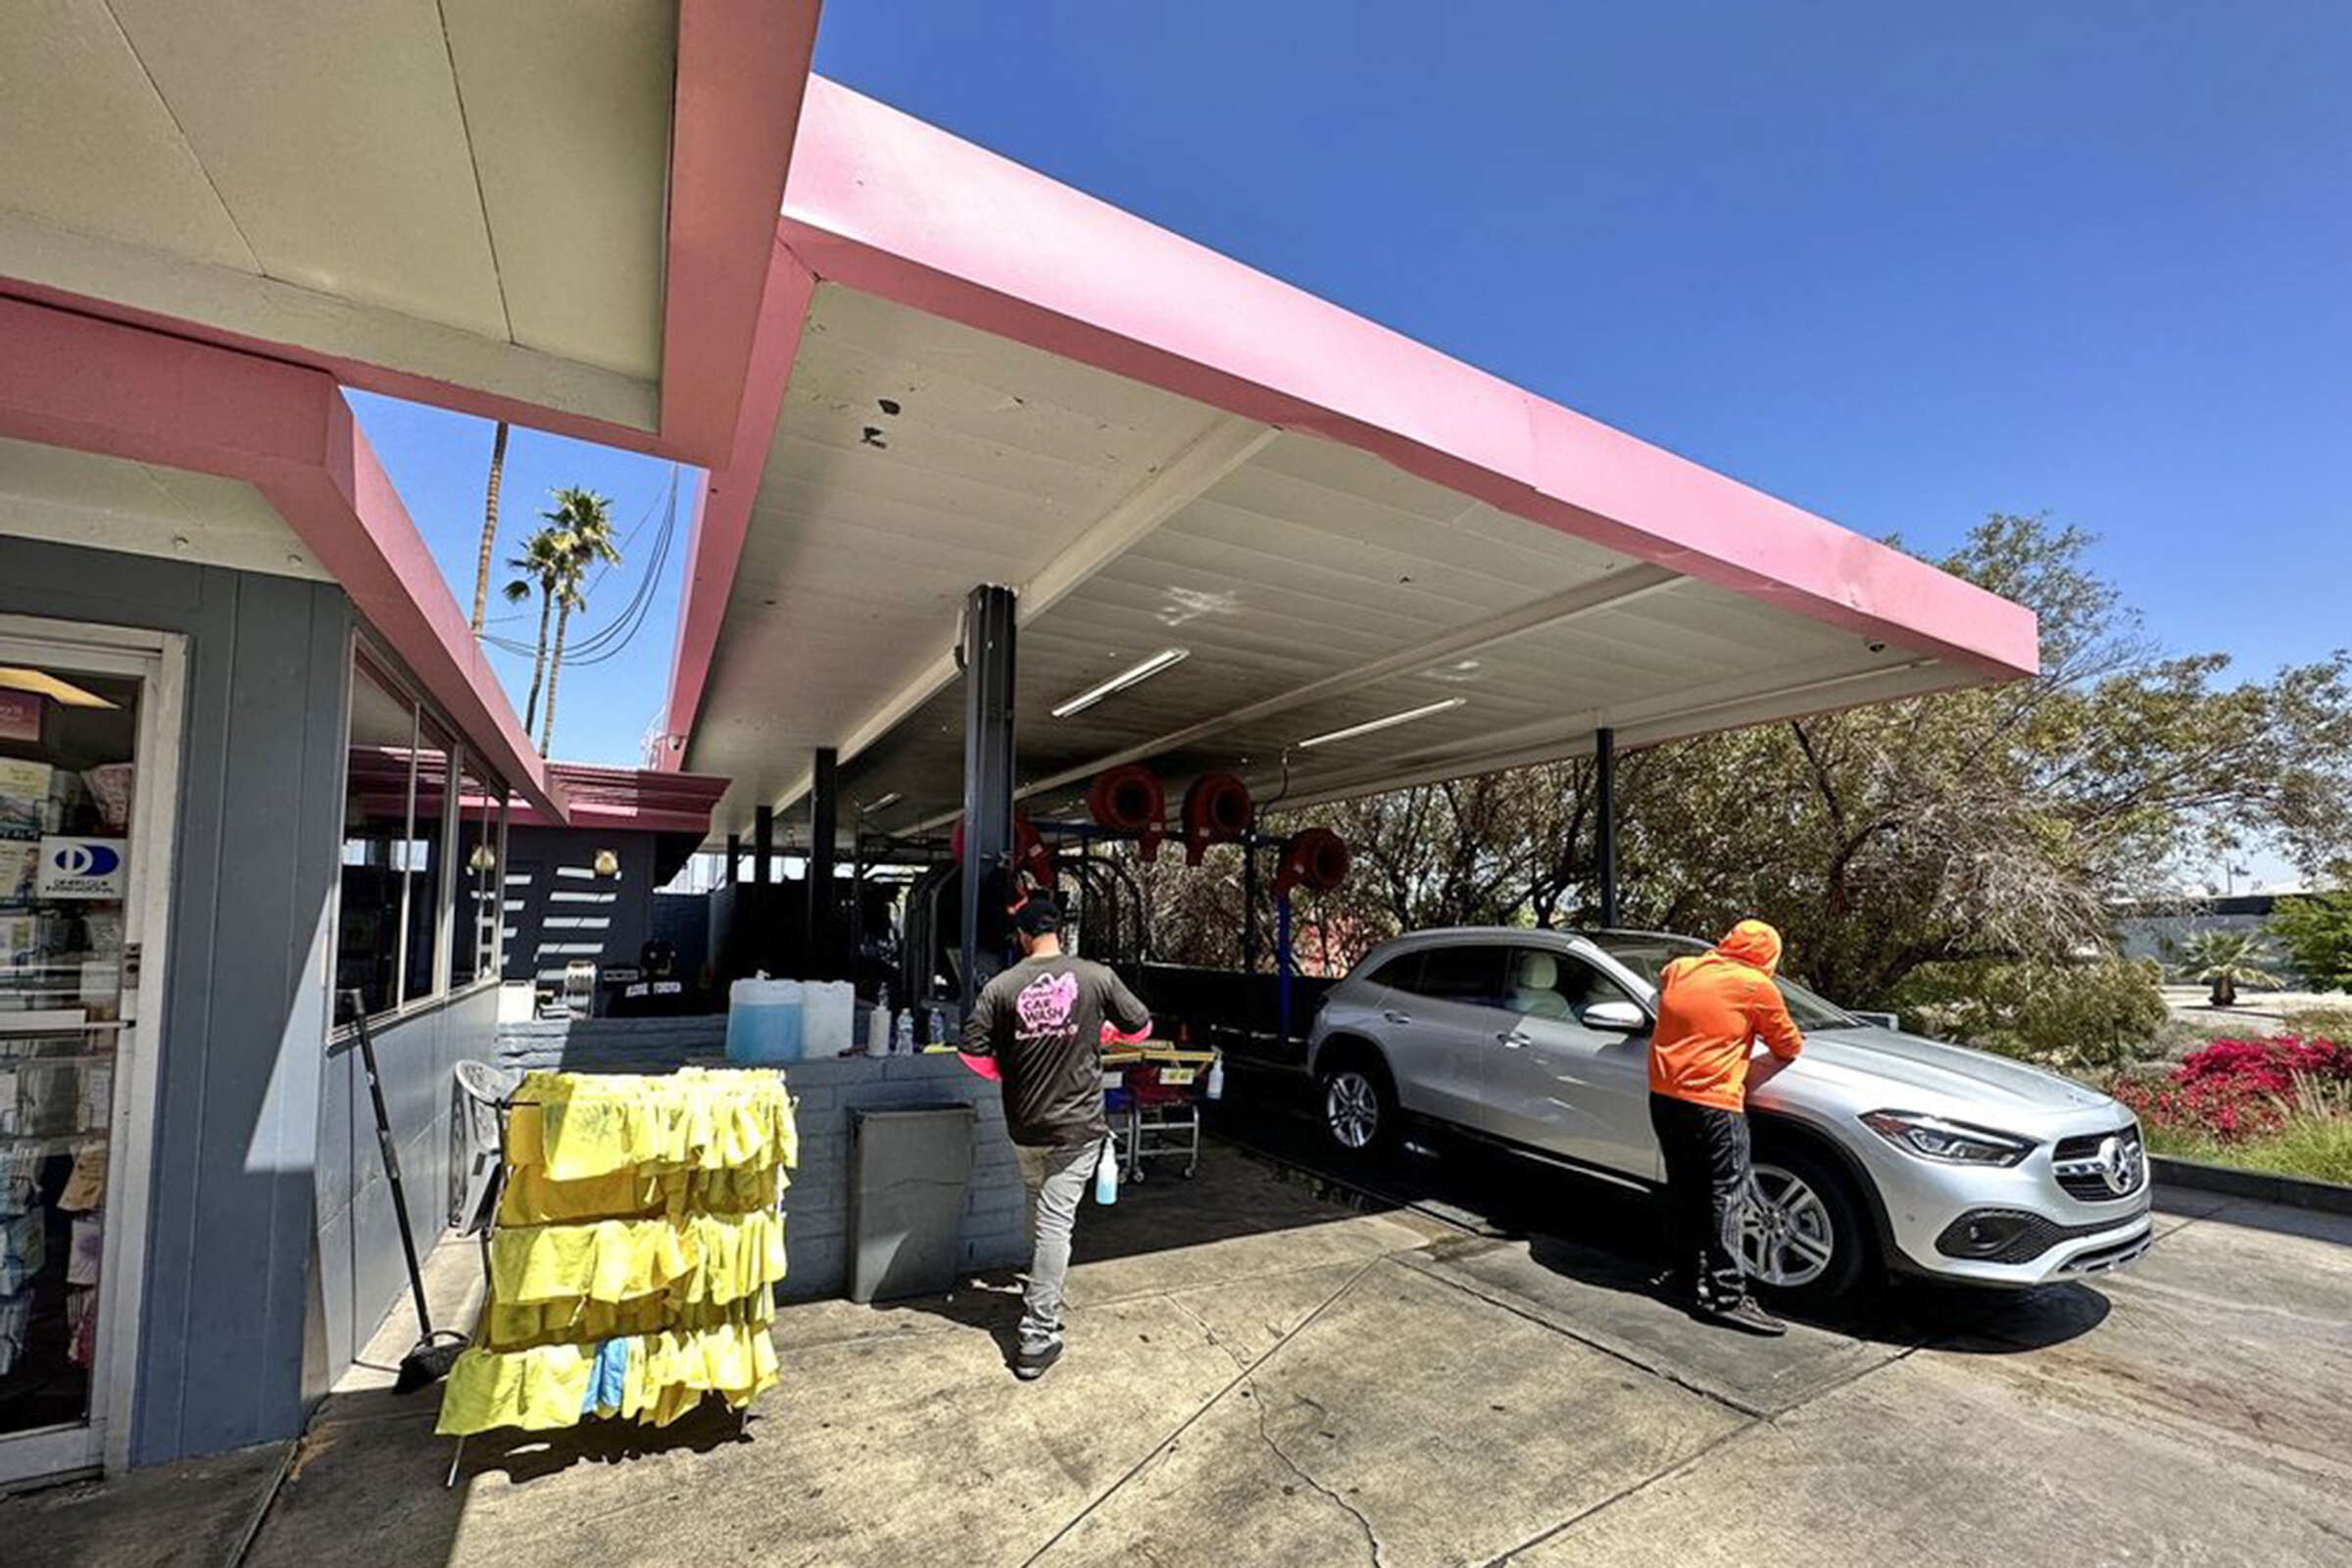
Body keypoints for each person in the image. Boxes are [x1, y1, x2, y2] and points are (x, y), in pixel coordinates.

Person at [959, 896, 1151, 1380]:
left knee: (1039, 1207)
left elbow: (971, 1053)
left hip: (1025, 1123)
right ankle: (1037, 1335)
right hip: (1076, 1127)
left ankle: (1039, 1282)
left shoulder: (1002, 987)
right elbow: (1141, 1026)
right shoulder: (1095, 977)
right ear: (1059, 932)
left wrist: (1011, 1071)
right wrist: (1103, 1035)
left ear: (1023, 937)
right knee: (1054, 1221)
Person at [1647, 918, 1805, 1335]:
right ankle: (1728, 1297)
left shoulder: (1682, 969)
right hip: (1715, 1104)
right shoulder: (1756, 986)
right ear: (1768, 956)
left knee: (1684, 1187)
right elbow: (1789, 1045)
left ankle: (1682, 1278)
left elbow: (1666, 981)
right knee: (1727, 1196)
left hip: (1664, 1099)